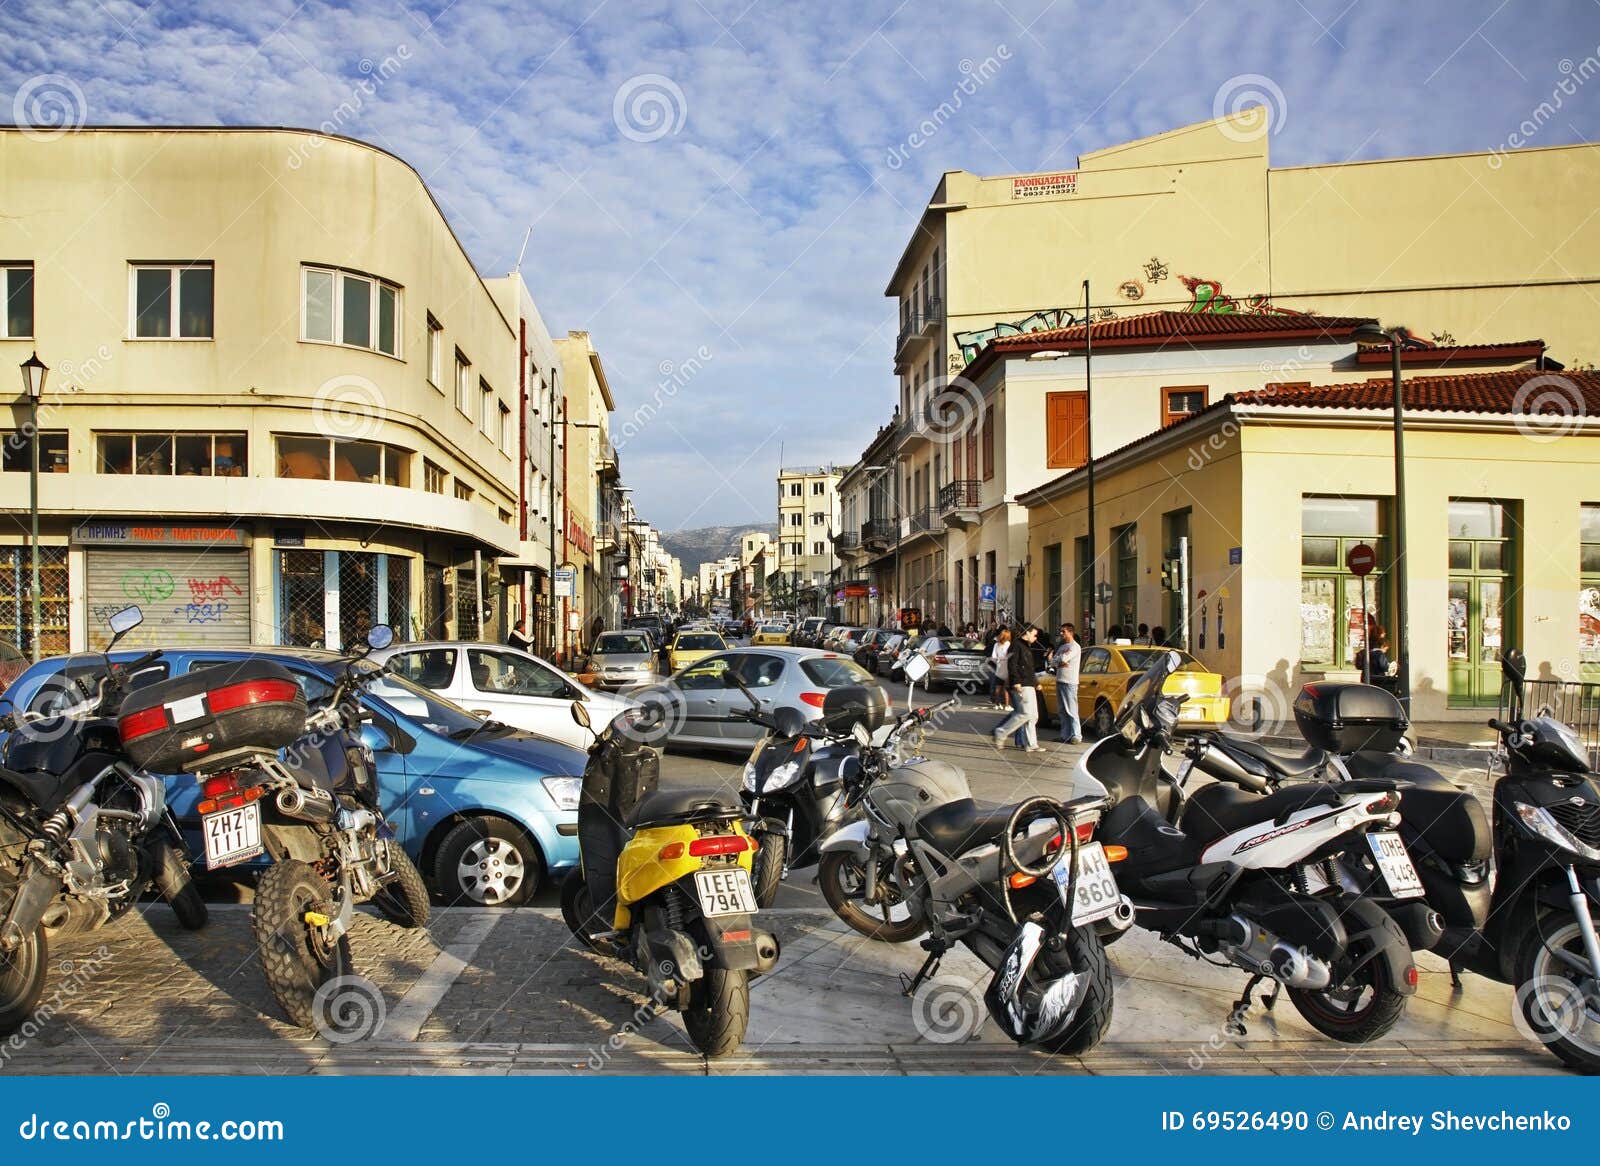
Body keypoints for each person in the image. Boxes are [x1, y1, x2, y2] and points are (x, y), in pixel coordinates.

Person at [993, 625, 1042, 752]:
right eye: (1034, 635)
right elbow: (1012, 664)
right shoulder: (1016, 645)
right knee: (1025, 713)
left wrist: (1036, 682)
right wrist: (1016, 682)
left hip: (1029, 683)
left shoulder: (1026, 646)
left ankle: (1031, 744)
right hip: (1022, 684)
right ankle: (1001, 732)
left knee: (1033, 715)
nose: (1036, 638)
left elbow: (1029, 667)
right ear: (1027, 633)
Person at [1050, 623, 1082, 744]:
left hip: (1070, 682)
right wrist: (1060, 661)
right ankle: (1065, 735)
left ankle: (1076, 735)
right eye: (1061, 631)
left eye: (1064, 631)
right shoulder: (1062, 647)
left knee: (1071, 710)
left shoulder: (1075, 647)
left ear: (1071, 632)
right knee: (1062, 710)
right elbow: (1053, 662)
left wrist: (1060, 660)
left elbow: (1063, 659)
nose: (1061, 633)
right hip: (1060, 680)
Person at [988, 627, 1011, 711]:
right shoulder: (1008, 644)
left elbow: (993, 657)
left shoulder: (996, 644)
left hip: (999, 666)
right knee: (1006, 687)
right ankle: (1007, 705)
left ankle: (997, 704)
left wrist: (998, 662)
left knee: (998, 686)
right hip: (1006, 666)